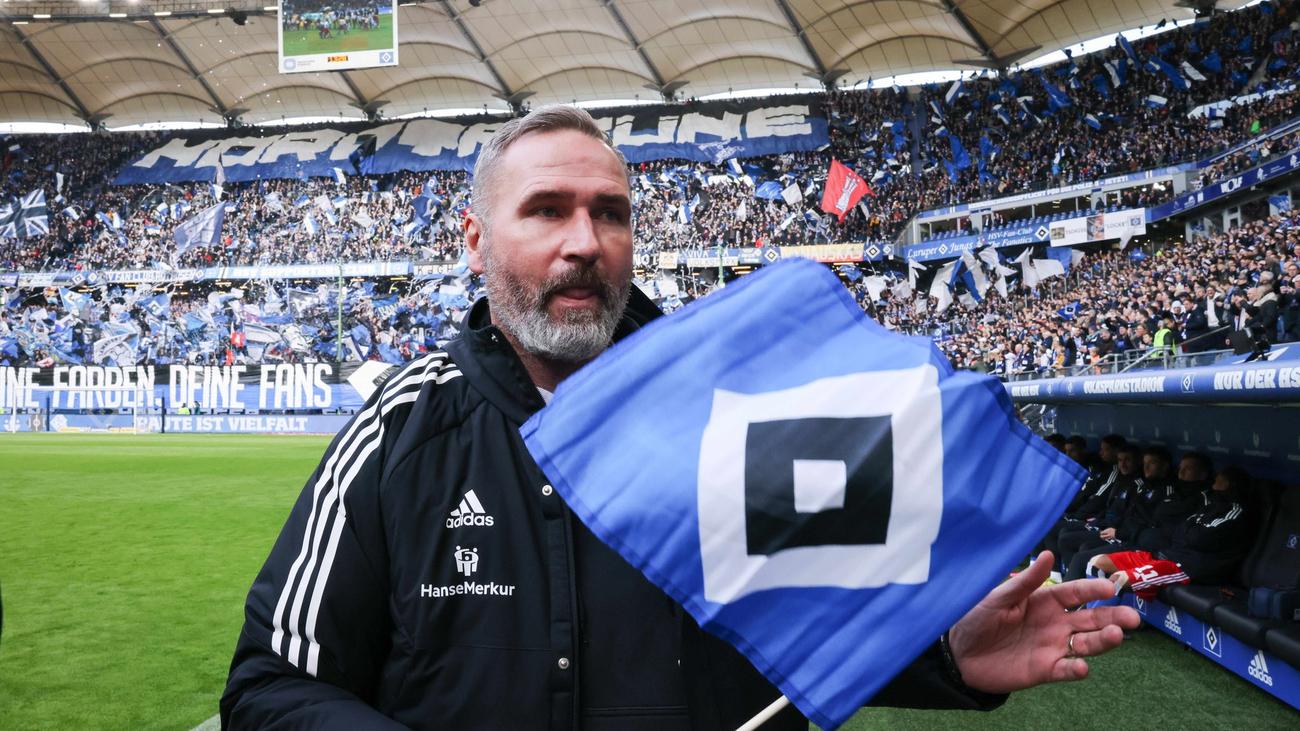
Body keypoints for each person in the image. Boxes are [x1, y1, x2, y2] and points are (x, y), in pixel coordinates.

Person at [221, 106, 1137, 730]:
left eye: (609, 213)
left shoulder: (741, 407)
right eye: (546, 211)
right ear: (475, 241)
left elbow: (808, 617)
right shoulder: (402, 429)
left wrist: (946, 652)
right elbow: (272, 686)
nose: (584, 242)